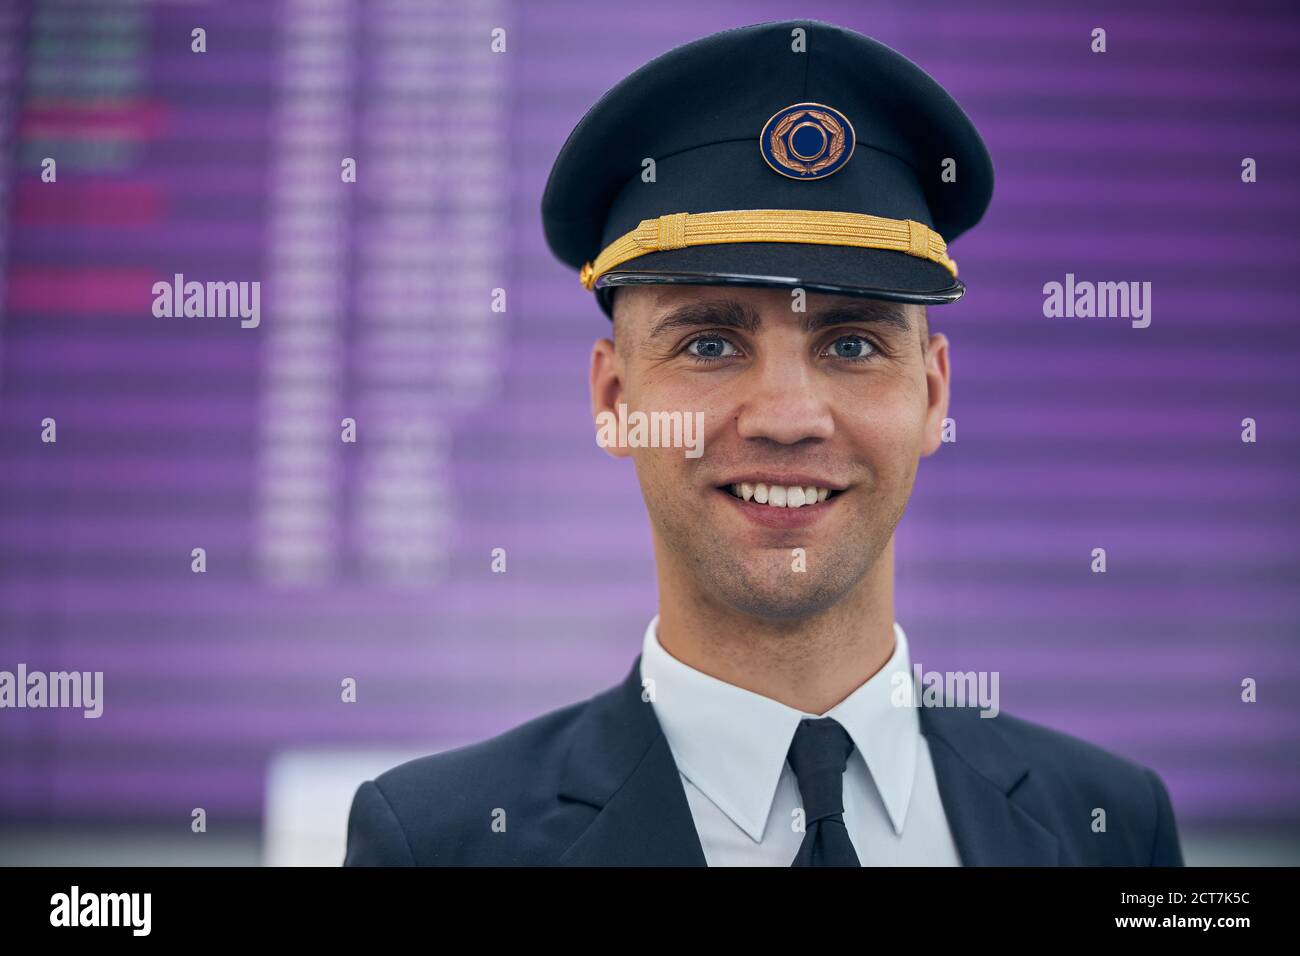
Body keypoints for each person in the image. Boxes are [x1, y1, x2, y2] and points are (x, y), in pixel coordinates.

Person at [344, 19, 1184, 866]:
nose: (787, 416)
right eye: (710, 343)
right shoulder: (439, 845)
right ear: (614, 400)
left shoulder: (1112, 824)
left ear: (933, 394)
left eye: (851, 344)